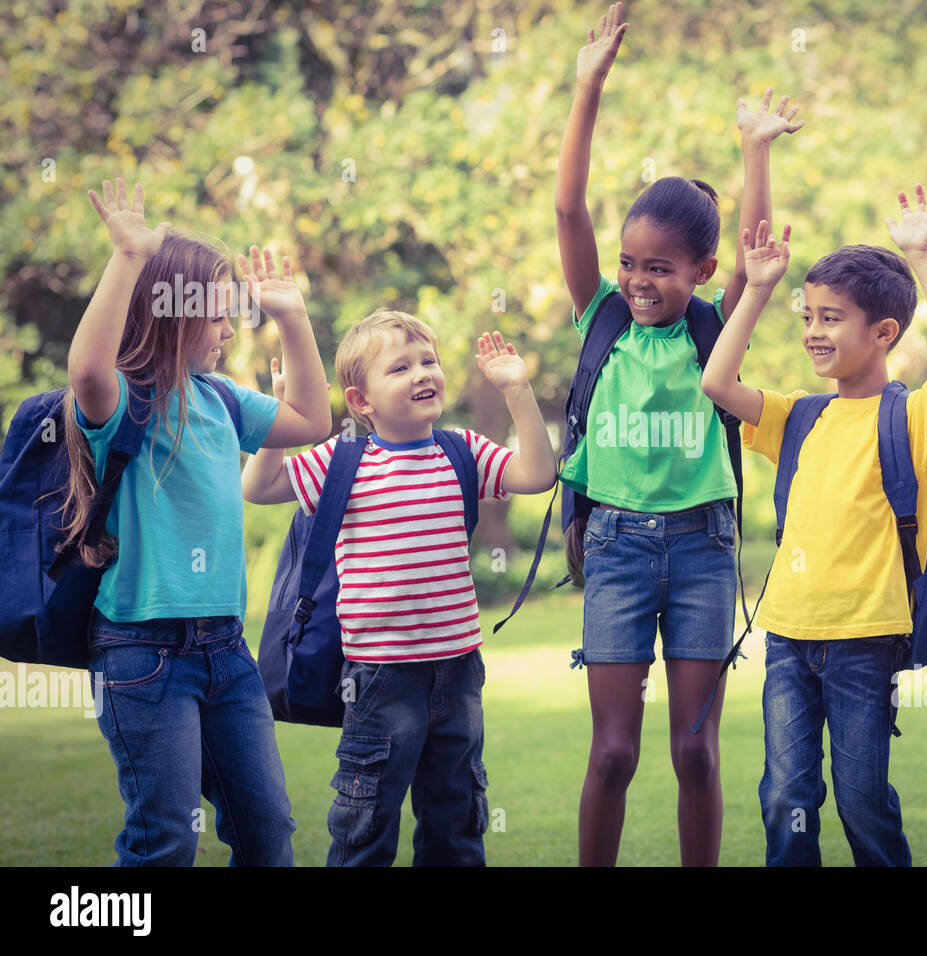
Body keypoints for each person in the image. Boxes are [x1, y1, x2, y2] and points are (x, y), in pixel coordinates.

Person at [555, 2, 802, 865]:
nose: (636, 279)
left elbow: (755, 252)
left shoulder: (713, 329)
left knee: (695, 752)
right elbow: (567, 211)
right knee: (613, 752)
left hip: (703, 544)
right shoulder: (601, 318)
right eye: (630, 263)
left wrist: (756, 151)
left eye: (658, 267)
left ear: (697, 272)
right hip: (617, 544)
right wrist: (587, 85)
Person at [701, 186, 927, 866]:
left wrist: (923, 257)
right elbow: (715, 381)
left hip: (865, 642)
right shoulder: (797, 415)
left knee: (861, 803)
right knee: (786, 797)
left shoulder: (911, 419)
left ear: (884, 333)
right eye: (809, 316)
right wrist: (760, 289)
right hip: (789, 640)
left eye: (832, 318)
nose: (814, 331)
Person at [66, 177, 332, 865]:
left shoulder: (221, 400)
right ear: (167, 313)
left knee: (268, 832)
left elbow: (312, 419)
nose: (224, 328)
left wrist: (291, 317)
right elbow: (88, 372)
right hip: (141, 655)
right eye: (215, 315)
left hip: (226, 651)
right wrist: (127, 259)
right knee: (166, 842)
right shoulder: (127, 401)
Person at [242, 311, 555, 865]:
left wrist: (517, 390)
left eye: (428, 361)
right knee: (366, 827)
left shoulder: (463, 451)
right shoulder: (345, 462)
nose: (421, 374)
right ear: (362, 400)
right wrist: (279, 414)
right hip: (380, 679)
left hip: (458, 673)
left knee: (456, 826)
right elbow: (260, 486)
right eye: (401, 367)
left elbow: (536, 474)